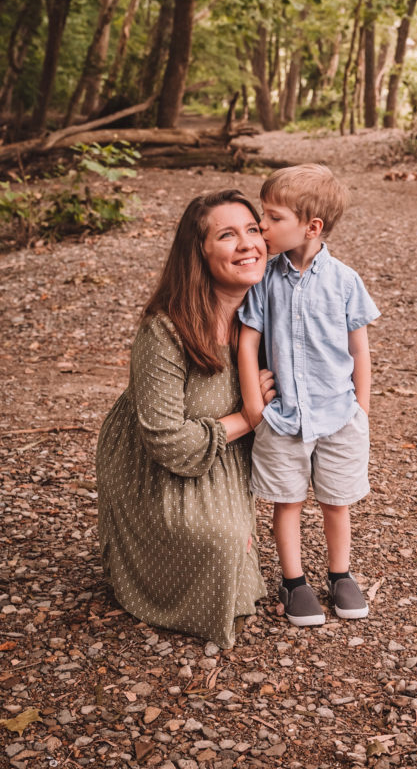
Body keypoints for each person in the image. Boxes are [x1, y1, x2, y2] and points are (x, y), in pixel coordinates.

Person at [96, 188, 275, 649]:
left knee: (232, 547)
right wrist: (248, 419)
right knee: (220, 543)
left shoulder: (268, 314)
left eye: (253, 230)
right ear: (199, 252)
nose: (248, 244)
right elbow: (166, 441)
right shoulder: (166, 327)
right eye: (228, 236)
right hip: (152, 467)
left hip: (225, 457)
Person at [238, 164, 380, 627]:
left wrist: (361, 407)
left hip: (338, 414)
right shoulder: (264, 280)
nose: (262, 226)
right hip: (283, 417)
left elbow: (359, 345)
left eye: (272, 218)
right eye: (263, 214)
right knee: (289, 501)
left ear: (311, 227)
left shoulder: (344, 280)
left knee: (336, 501)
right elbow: (248, 341)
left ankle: (341, 575)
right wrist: (255, 409)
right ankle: (294, 581)